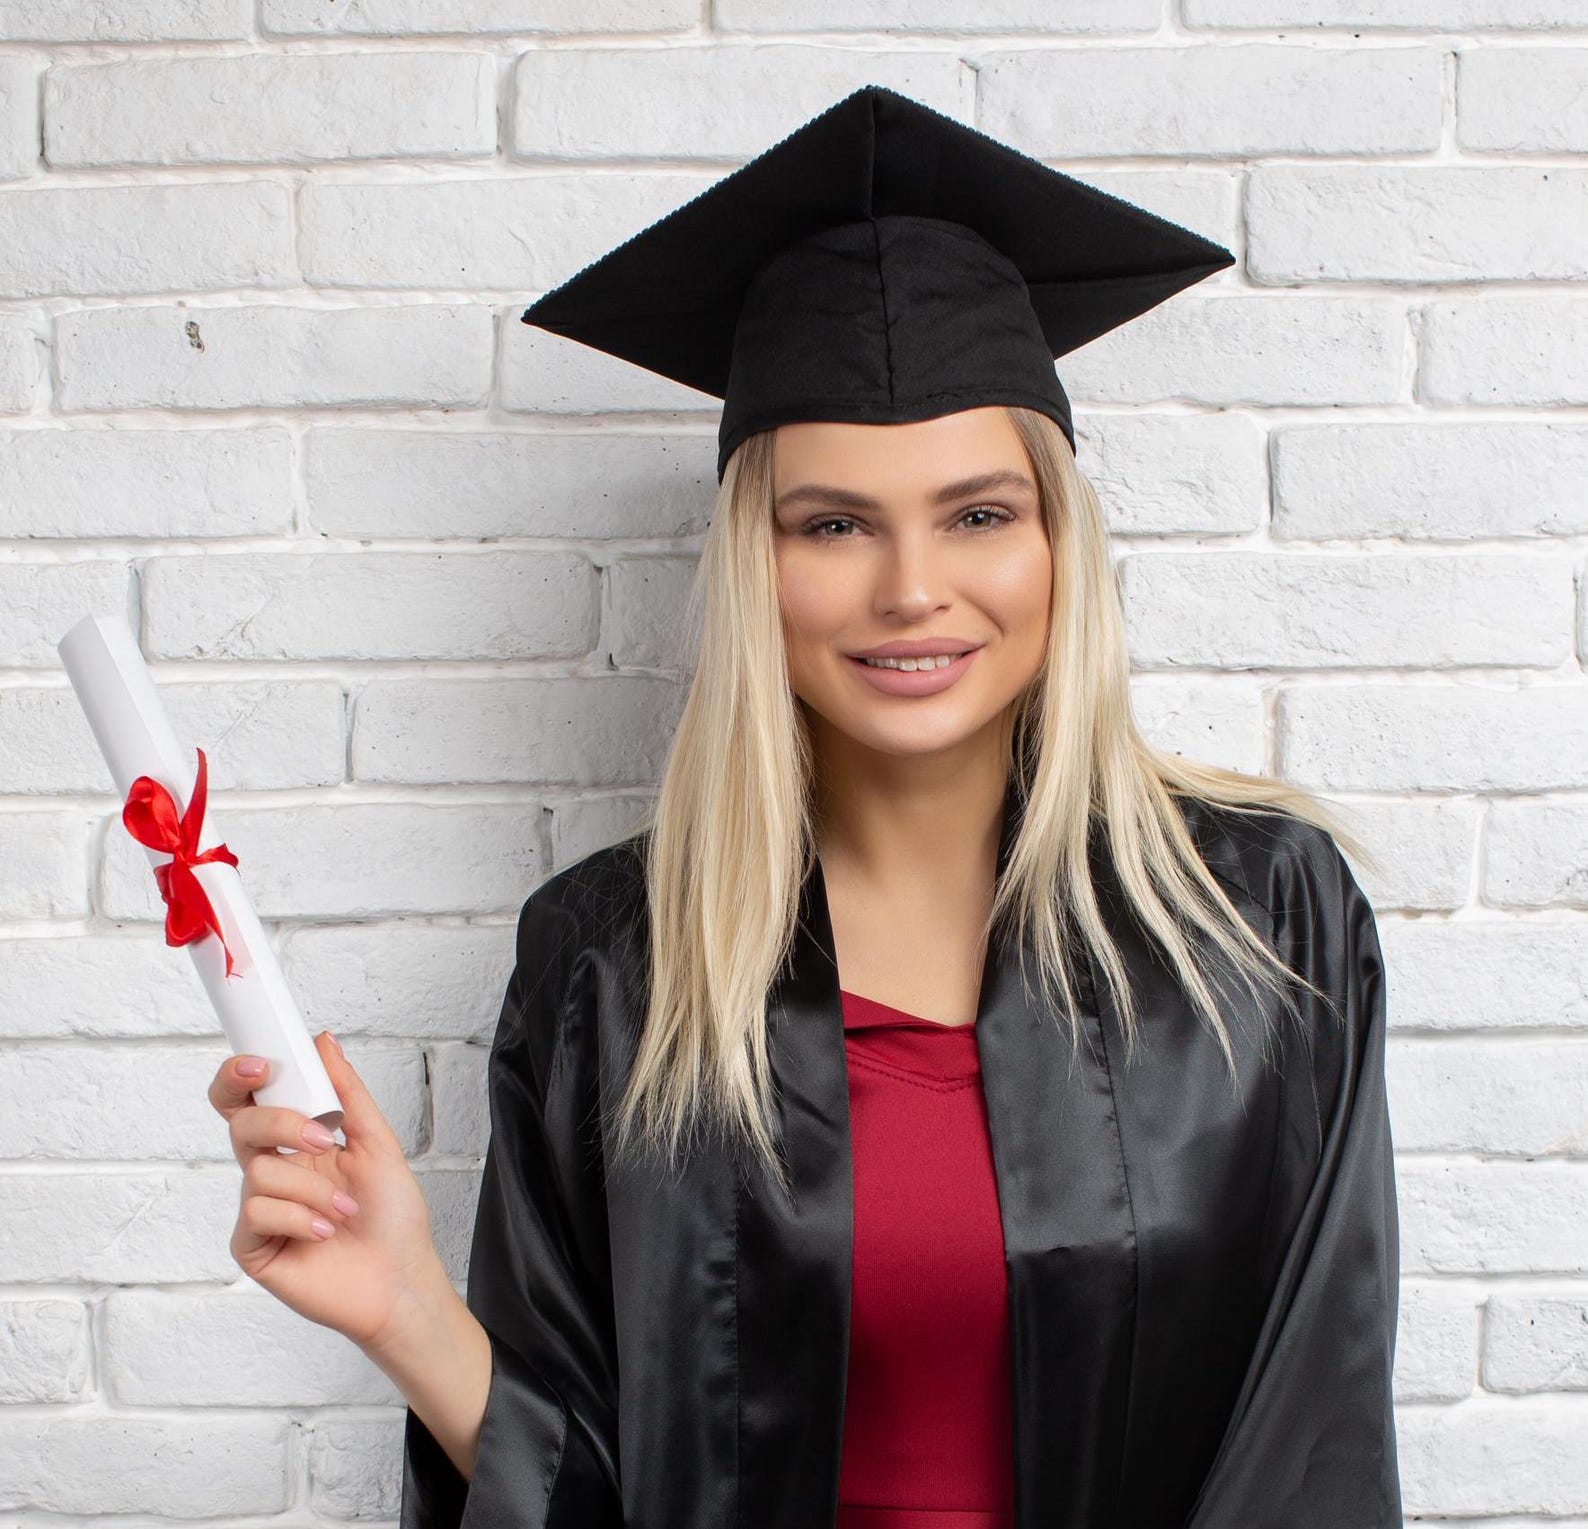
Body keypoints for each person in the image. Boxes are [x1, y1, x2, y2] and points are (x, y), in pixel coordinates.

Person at [207, 86, 1402, 1528]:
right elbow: (583, 1495)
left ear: (1058, 543)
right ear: (753, 564)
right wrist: (405, 1308)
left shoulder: (1262, 924)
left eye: (978, 513)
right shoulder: (616, 965)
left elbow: (1313, 1450)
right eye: (833, 523)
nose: (912, 588)